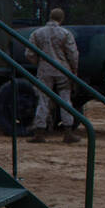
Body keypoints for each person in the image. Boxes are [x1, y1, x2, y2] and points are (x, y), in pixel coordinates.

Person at [25, 8, 80, 143]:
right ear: (61, 19)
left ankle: (39, 132)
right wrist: (74, 70)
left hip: (44, 70)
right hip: (63, 69)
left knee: (43, 100)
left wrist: (39, 62)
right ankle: (68, 132)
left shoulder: (37, 33)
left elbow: (29, 54)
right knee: (65, 100)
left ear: (50, 17)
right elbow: (73, 54)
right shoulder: (65, 33)